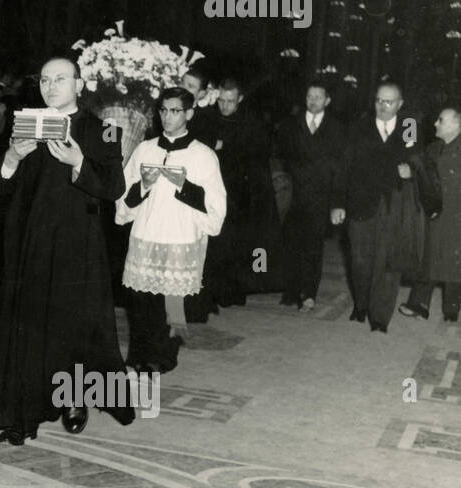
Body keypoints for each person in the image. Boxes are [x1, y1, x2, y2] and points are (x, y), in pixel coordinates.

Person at [0, 56, 133, 441]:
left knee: (76, 325)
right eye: (45, 80)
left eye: (61, 79)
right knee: (28, 324)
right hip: (29, 241)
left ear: (79, 86)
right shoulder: (26, 124)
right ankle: (22, 414)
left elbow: (115, 189)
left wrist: (78, 161)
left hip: (77, 243)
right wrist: (12, 158)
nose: (51, 87)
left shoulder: (104, 130)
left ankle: (75, 397)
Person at [116, 87, 226, 374]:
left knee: (171, 302)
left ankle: (163, 356)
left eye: (174, 111)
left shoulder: (203, 155)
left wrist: (185, 187)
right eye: (163, 110)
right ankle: (138, 355)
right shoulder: (145, 148)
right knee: (141, 301)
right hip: (147, 233)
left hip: (179, 236)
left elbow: (216, 208)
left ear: (189, 113)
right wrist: (143, 186)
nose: (167, 116)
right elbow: (124, 199)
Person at [331, 81, 422, 333]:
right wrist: (338, 203)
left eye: (389, 102)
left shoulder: (409, 127)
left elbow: (417, 160)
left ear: (400, 104)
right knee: (360, 261)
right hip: (360, 203)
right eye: (379, 101)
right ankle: (361, 305)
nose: (383, 106)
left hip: (393, 204)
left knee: (388, 262)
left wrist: (410, 171)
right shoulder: (359, 128)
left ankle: (380, 317)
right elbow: (343, 168)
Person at [199, 78, 278, 308]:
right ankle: (210, 292)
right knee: (213, 243)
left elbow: (253, 154)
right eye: (221, 100)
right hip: (212, 189)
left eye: (230, 102)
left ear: (240, 99)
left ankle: (231, 292)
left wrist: (224, 146)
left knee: (234, 244)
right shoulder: (209, 118)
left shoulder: (251, 123)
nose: (224, 106)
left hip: (238, 194)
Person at [274, 81, 343, 311]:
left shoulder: (336, 128)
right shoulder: (289, 125)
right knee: (291, 243)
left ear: (327, 101)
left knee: (314, 247)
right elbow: (282, 158)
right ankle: (291, 290)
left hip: (319, 197)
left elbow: (339, 168)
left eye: (318, 97)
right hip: (293, 194)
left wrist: (336, 203)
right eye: (309, 96)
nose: (313, 101)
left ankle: (309, 293)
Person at [401, 107, 461, 321]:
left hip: (457, 215)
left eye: (441, 120)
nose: (435, 123)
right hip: (435, 213)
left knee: (455, 262)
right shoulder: (434, 148)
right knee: (429, 257)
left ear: (456, 125)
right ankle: (419, 304)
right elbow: (421, 171)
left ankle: (451, 309)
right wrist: (410, 173)